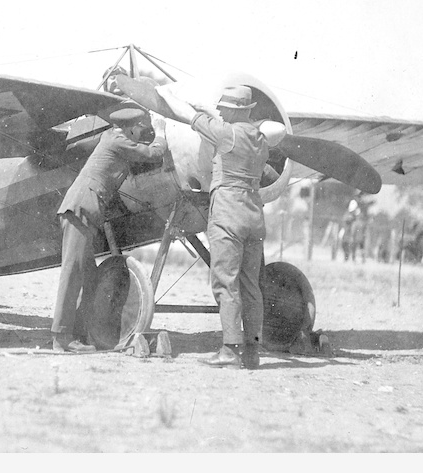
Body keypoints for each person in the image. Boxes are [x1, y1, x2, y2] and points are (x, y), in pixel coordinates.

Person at [158, 84, 283, 370]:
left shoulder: (225, 133)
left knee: (225, 283)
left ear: (232, 110)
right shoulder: (261, 139)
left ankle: (229, 348)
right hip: (254, 212)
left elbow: (186, 114)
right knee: (251, 285)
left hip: (228, 212)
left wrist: (165, 95)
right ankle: (252, 352)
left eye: (224, 108)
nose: (220, 112)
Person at [51, 107, 166, 352]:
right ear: (133, 127)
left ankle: (79, 334)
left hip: (86, 211)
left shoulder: (115, 138)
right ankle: (61, 339)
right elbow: (153, 153)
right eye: (141, 130)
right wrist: (162, 133)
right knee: (73, 275)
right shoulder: (117, 139)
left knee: (88, 276)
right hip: (81, 209)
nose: (141, 134)